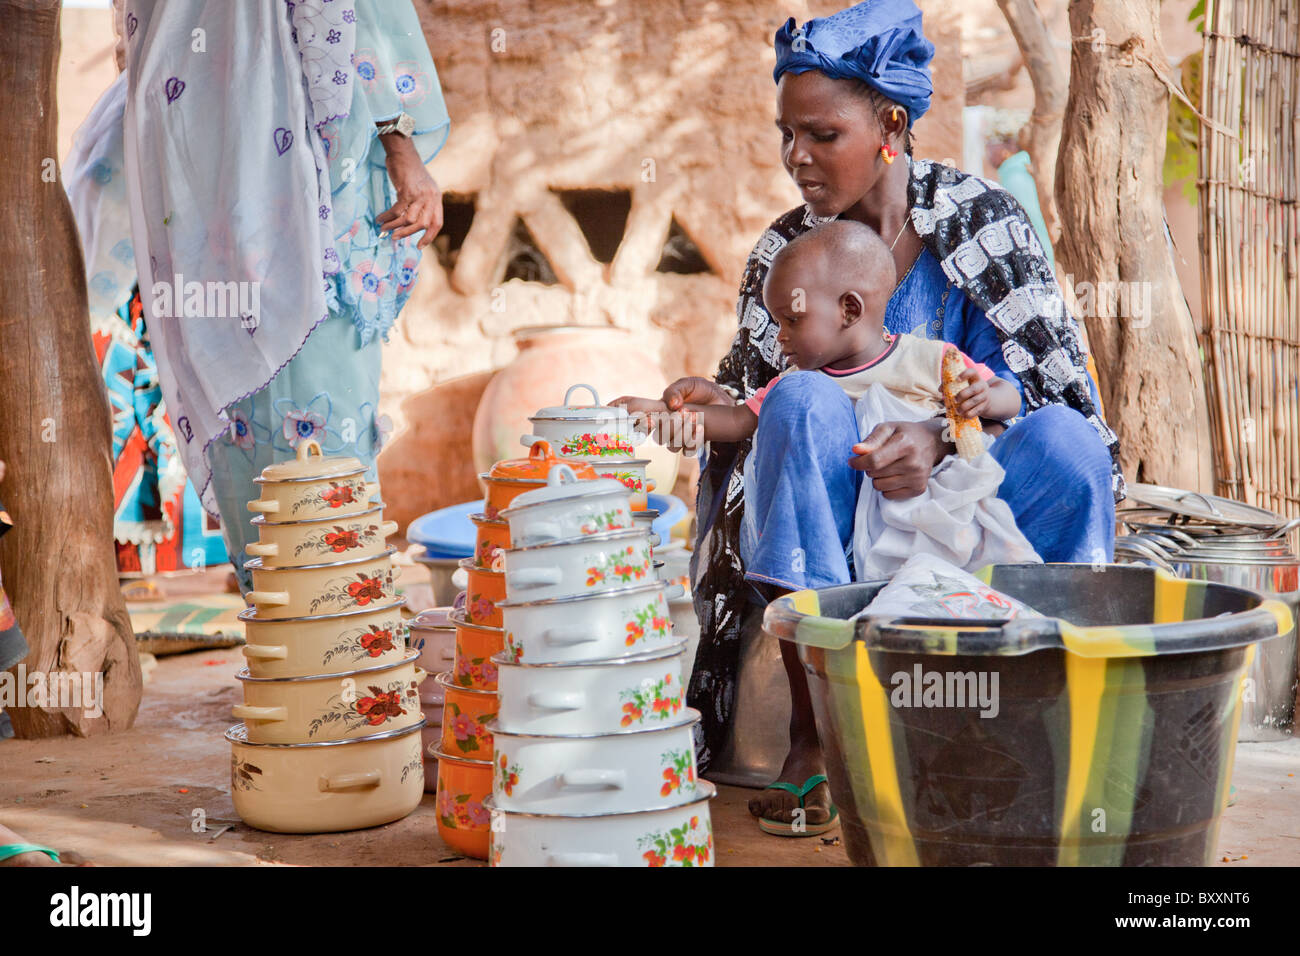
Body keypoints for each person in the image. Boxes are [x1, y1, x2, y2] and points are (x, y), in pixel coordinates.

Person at [635, 0, 1123, 835]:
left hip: (971, 523)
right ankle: (815, 739)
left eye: (822, 134)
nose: (797, 157)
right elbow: (753, 398)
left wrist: (938, 437)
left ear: (891, 123)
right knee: (800, 397)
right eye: (788, 134)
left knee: (1074, 446)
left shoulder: (982, 224)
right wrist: (700, 401)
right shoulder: (784, 251)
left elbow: (1044, 391)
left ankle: (1060, 715)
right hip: (831, 532)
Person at [119, 0, 450, 590]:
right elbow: (359, 25)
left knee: (269, 419)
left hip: (208, 209)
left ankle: (291, 625)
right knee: (315, 419)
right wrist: (403, 154)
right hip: (301, 205)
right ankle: (324, 622)